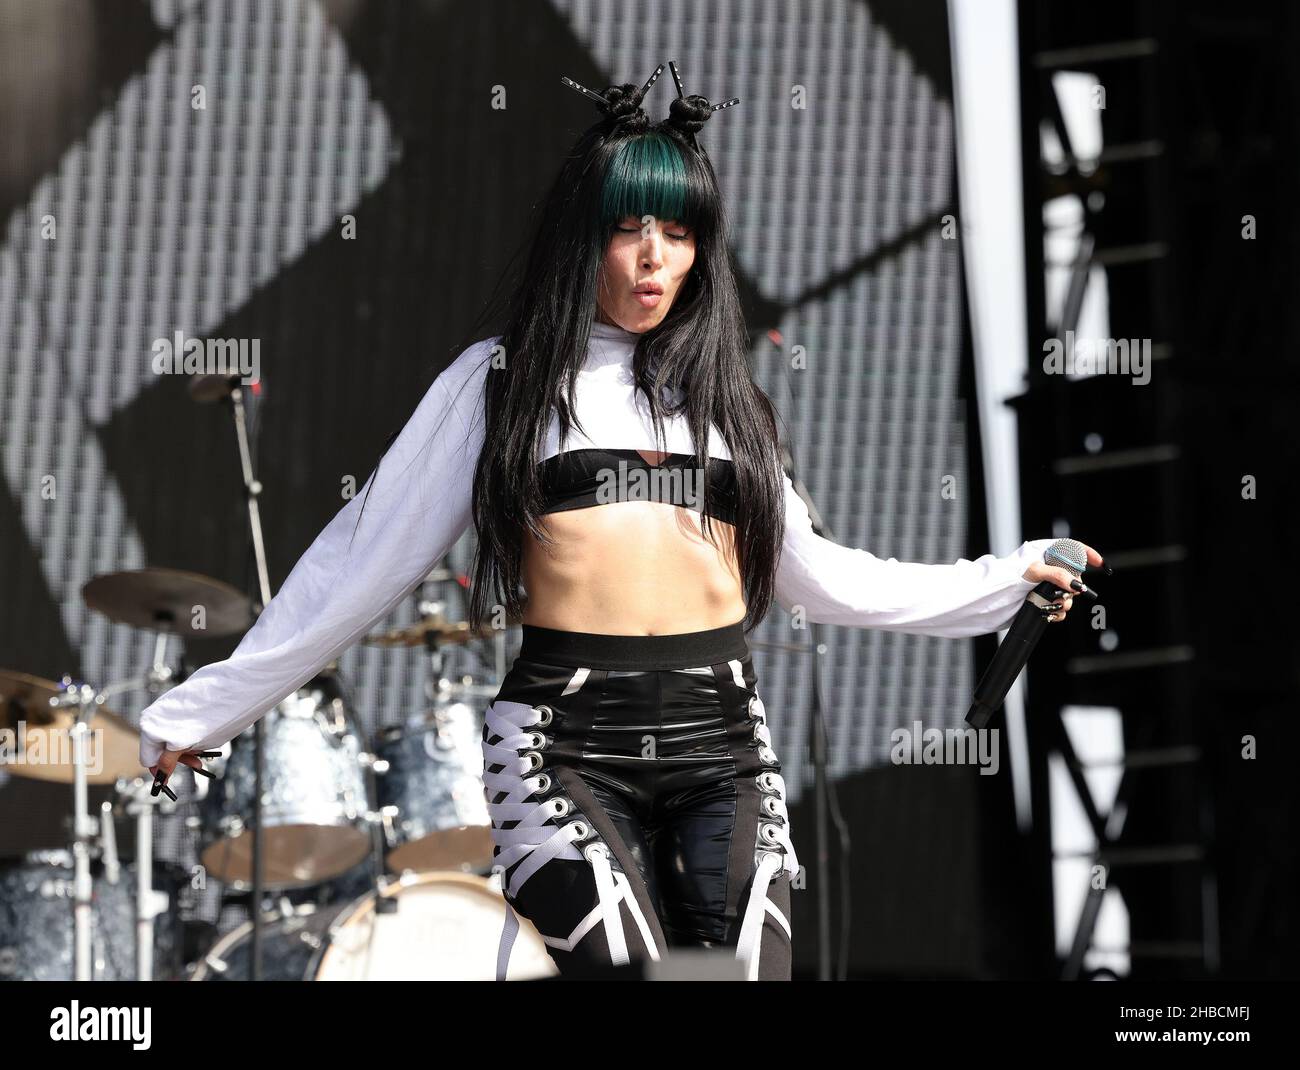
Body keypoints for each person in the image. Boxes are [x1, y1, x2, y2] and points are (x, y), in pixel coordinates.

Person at [140, 64, 1098, 981]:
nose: (654, 257)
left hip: (724, 746)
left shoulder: (730, 406)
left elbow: (822, 577)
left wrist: (1005, 579)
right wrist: (203, 711)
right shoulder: (501, 384)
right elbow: (360, 564)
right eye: (629, 228)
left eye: (678, 234)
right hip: (565, 747)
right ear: (582, 238)